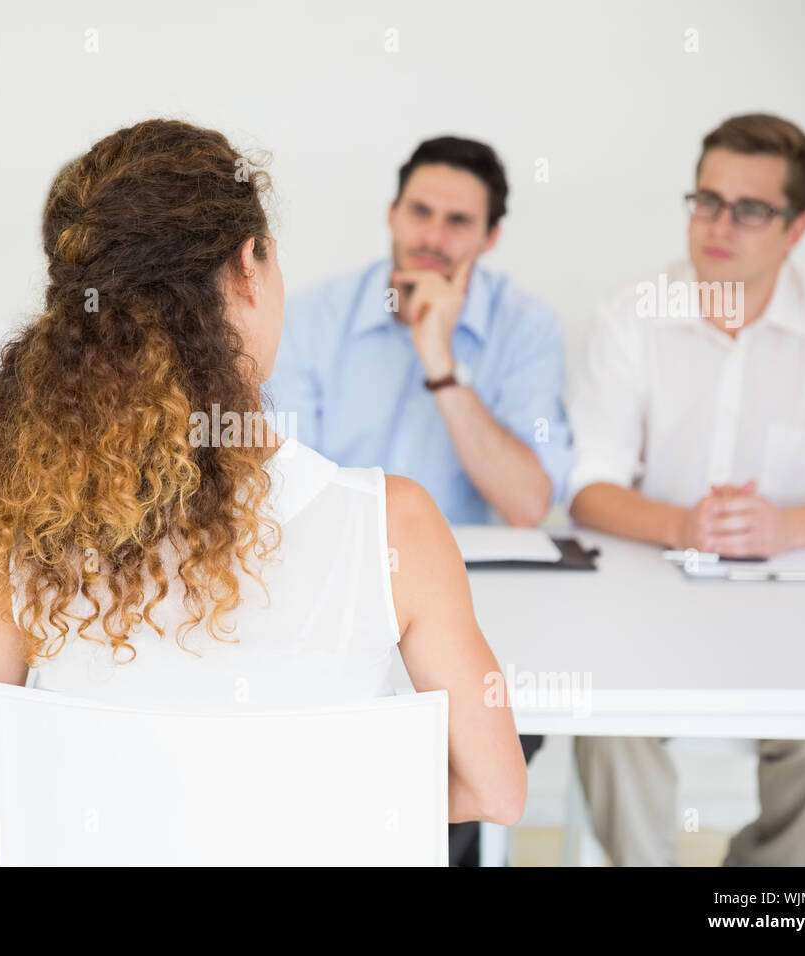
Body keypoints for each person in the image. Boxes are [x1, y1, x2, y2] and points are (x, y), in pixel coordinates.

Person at [0, 120, 528, 851]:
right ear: (249, 266)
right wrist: (276, 796)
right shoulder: (393, 524)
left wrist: (169, 794)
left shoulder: (25, 512)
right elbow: (495, 788)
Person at [567, 113, 805, 865]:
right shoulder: (630, 315)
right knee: (607, 728)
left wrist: (788, 526)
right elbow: (590, 486)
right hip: (654, 603)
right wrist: (680, 523)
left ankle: (756, 896)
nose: (720, 225)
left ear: (797, 227)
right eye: (707, 200)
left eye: (751, 209)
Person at [266, 136, 569, 864]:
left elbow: (528, 501)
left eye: (458, 222)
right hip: (332, 596)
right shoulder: (311, 316)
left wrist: (440, 358)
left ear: (491, 236)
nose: (432, 237)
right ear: (392, 212)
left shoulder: (527, 329)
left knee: (487, 733)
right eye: (420, 212)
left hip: (472, 607)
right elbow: (281, 482)